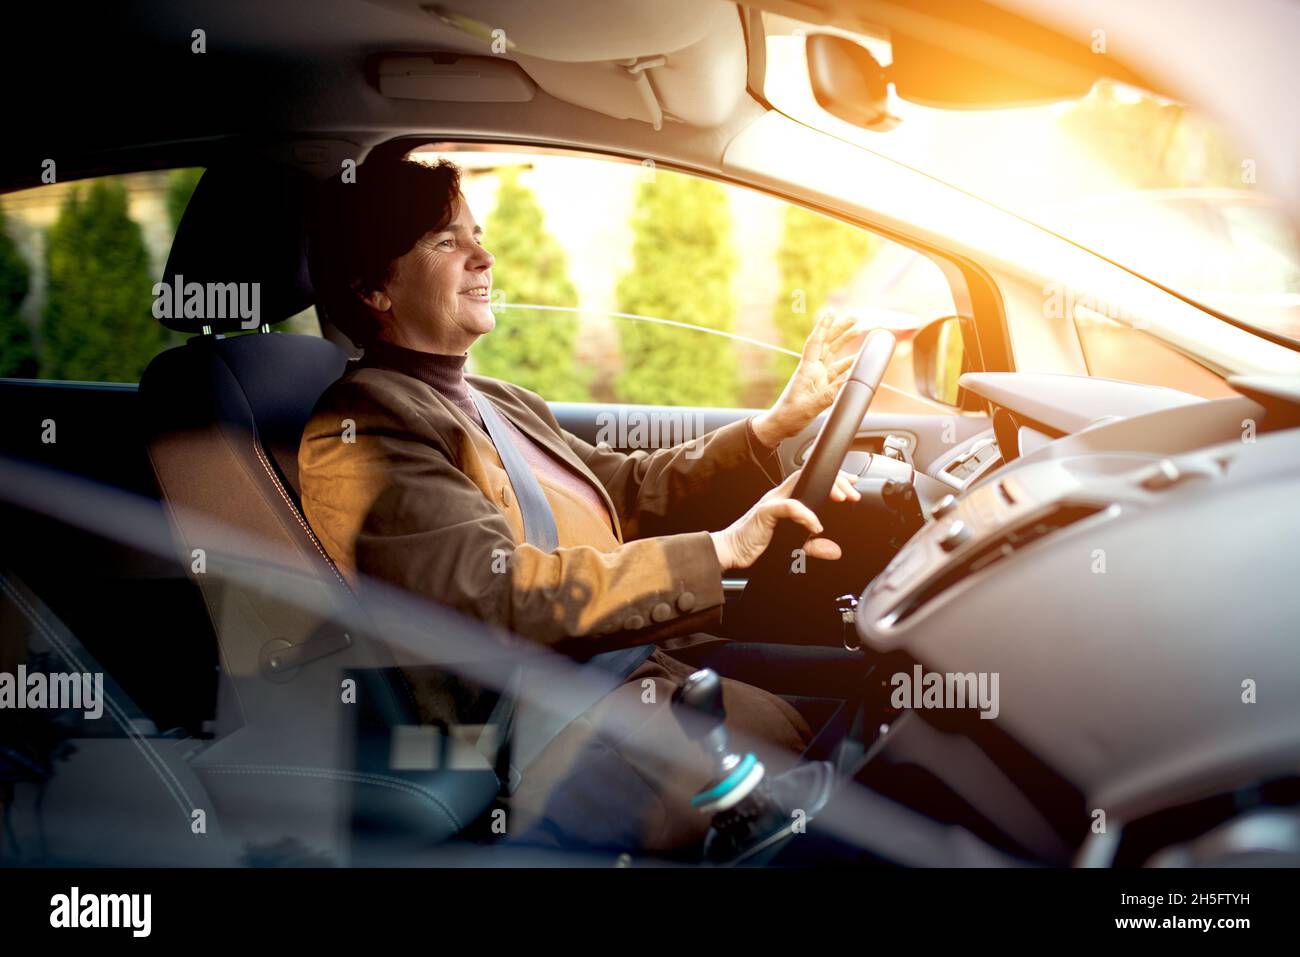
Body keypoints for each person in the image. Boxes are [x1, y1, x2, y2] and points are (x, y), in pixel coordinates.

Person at [299, 157, 865, 853]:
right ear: (372, 287)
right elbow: (496, 592)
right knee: (859, 787)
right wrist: (721, 549)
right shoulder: (362, 425)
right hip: (546, 722)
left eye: (476, 233)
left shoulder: (497, 400)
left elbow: (628, 490)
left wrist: (770, 428)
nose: (484, 254)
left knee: (879, 693)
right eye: (446, 242)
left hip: (627, 668)